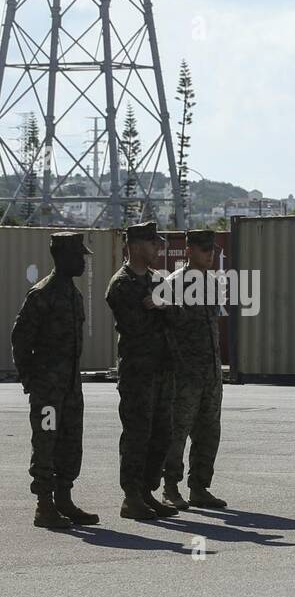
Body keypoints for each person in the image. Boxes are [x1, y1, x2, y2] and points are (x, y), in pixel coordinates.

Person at [10, 232, 99, 529]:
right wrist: (32, 381)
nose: (83, 261)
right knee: (46, 442)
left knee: (71, 443)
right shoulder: (42, 294)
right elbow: (20, 340)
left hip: (71, 388)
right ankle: (44, 505)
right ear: (62, 257)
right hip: (48, 391)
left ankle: (64, 498)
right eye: (78, 256)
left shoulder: (73, 294)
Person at [107, 221, 180, 521]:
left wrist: (165, 306)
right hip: (138, 372)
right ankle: (131, 496)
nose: (157, 249)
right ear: (135, 246)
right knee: (137, 434)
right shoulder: (121, 284)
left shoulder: (157, 279)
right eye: (152, 244)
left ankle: (149, 490)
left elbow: (179, 314)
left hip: (163, 370)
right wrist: (159, 308)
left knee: (162, 433)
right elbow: (133, 325)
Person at [162, 229, 228, 510]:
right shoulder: (174, 284)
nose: (209, 254)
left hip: (211, 373)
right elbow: (164, 330)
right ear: (189, 251)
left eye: (211, 249)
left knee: (209, 432)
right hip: (184, 374)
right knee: (177, 432)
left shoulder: (213, 284)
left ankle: (199, 487)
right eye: (203, 249)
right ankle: (170, 488)